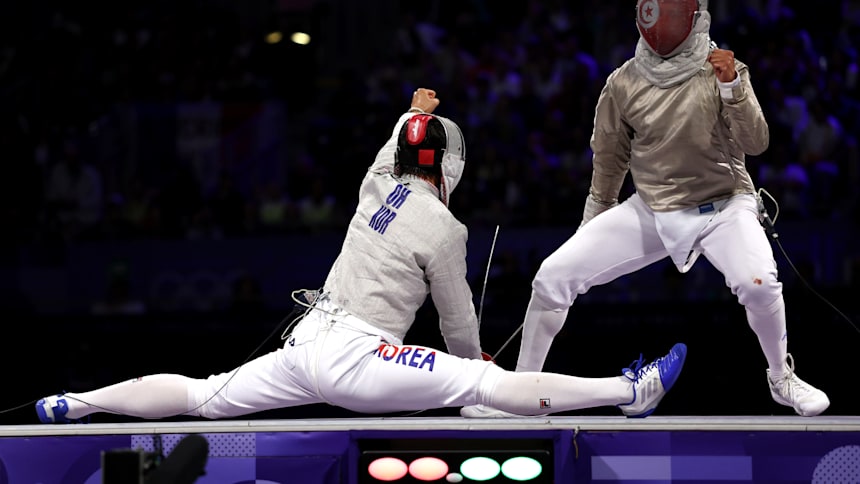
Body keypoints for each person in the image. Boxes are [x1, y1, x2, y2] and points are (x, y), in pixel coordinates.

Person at [36, 88, 687, 425]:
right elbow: (458, 325)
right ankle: (630, 391)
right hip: (360, 362)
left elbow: (396, 147)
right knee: (488, 384)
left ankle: (79, 402)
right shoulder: (446, 229)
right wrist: (473, 366)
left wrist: (413, 112)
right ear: (454, 169)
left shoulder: (375, 182)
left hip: (306, 348)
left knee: (205, 397)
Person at [461, 0, 830, 419]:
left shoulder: (723, 68)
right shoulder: (623, 82)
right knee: (551, 278)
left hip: (724, 205)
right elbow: (609, 158)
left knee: (760, 283)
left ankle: (782, 377)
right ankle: (519, 397)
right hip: (653, 208)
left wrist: (732, 88)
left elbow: (757, 142)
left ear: (692, 17)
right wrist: (592, 223)